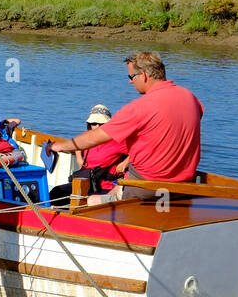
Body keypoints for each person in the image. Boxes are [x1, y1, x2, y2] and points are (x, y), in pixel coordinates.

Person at [48, 52, 203, 201]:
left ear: (143, 75)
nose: (130, 81)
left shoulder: (139, 107)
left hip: (146, 188)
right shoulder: (191, 98)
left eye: (131, 77)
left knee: (92, 201)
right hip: (183, 187)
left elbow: (96, 137)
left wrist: (60, 146)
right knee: (115, 188)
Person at [48, 105, 129, 203]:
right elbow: (77, 148)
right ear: (89, 124)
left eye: (102, 124)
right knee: (56, 192)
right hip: (86, 184)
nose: (98, 127)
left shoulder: (118, 140)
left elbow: (138, 151)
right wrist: (78, 156)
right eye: (94, 123)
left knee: (85, 202)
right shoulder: (86, 137)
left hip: (106, 188)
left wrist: (125, 163)